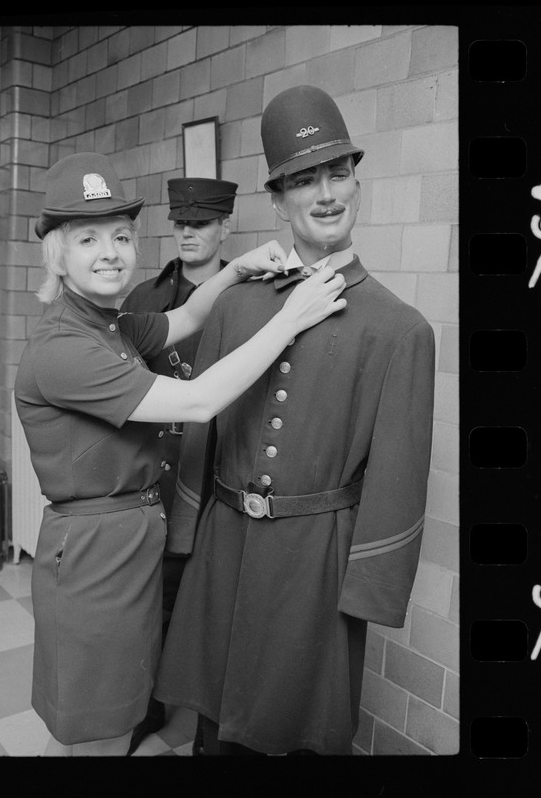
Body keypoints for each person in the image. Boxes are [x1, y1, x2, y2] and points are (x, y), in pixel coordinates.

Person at [13, 151, 348, 756]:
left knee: (113, 721)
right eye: (88, 239)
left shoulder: (107, 325)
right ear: (57, 255)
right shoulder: (62, 348)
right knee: (99, 734)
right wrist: (291, 319)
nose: (110, 252)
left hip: (128, 545)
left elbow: (190, 315)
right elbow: (197, 402)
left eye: (120, 236)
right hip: (93, 560)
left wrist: (238, 267)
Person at [154, 85, 436, 756]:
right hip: (225, 550)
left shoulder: (400, 330)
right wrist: (188, 531)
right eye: (304, 181)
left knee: (299, 735)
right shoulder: (235, 307)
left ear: (357, 186)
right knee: (214, 731)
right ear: (278, 200)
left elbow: (398, 480)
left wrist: (368, 590)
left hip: (318, 568)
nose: (326, 193)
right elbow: (204, 430)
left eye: (339, 174)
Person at [120, 177, 238, 753]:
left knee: (201, 611)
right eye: (181, 223)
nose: (188, 233)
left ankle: (189, 728)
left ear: (225, 227)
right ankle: (143, 721)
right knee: (147, 610)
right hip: (151, 478)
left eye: (202, 223)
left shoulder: (246, 297)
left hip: (210, 478)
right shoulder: (144, 298)